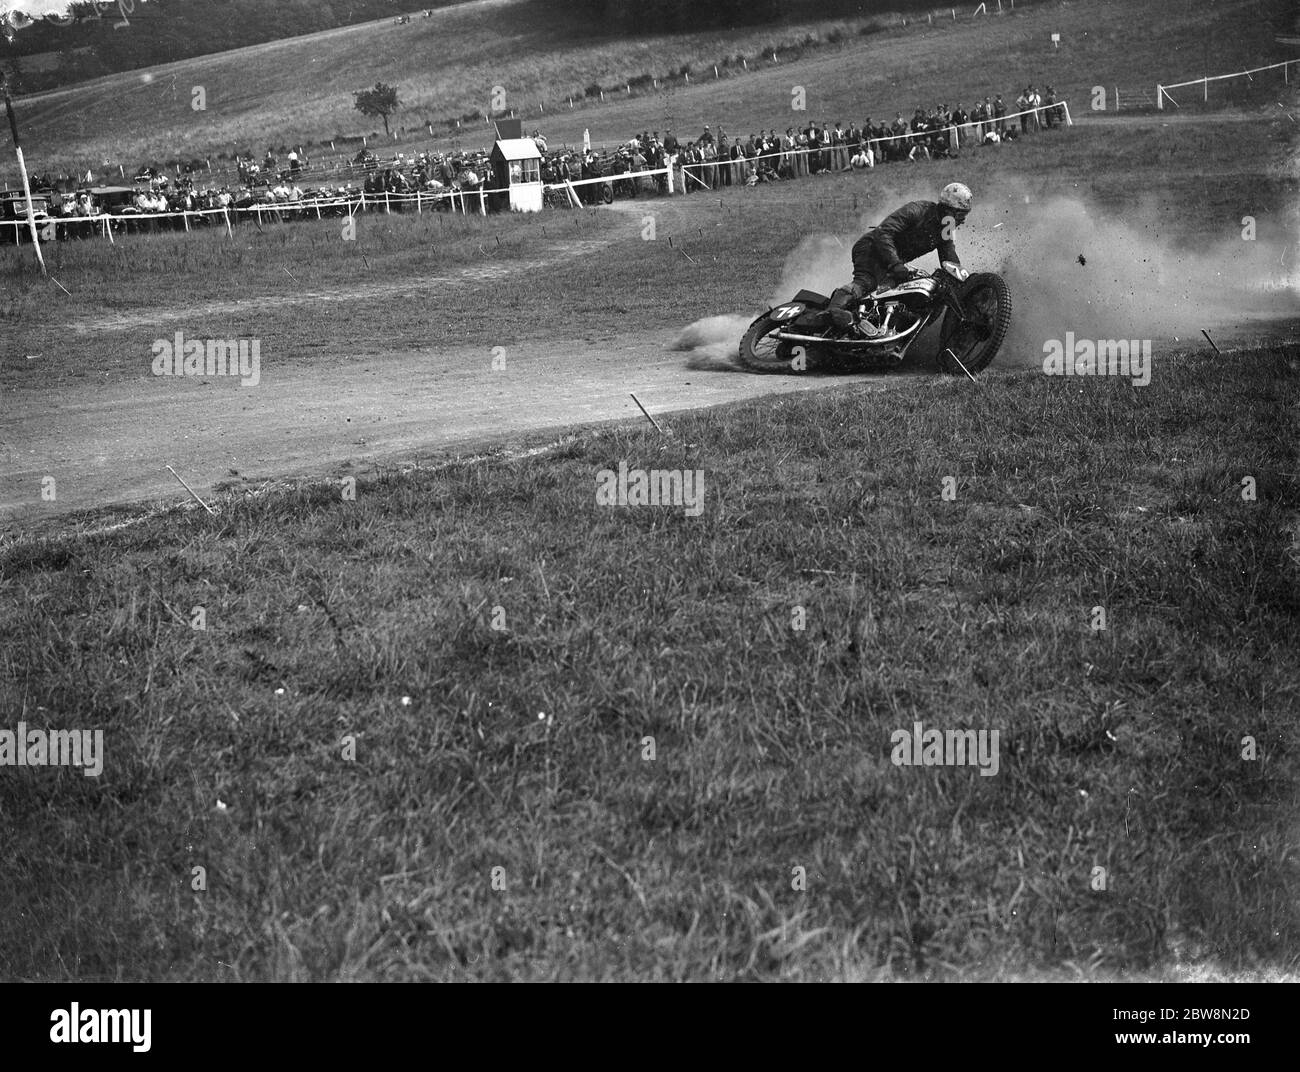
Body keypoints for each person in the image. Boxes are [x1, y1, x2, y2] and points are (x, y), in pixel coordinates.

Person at [822, 183, 973, 331]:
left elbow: (948, 255)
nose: (963, 220)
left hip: (893, 259)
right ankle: (832, 311)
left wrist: (961, 280)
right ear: (947, 209)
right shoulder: (917, 210)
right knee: (867, 282)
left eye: (965, 215)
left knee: (899, 292)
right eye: (960, 214)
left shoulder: (946, 227)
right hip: (871, 248)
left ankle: (877, 326)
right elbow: (883, 232)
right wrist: (895, 264)